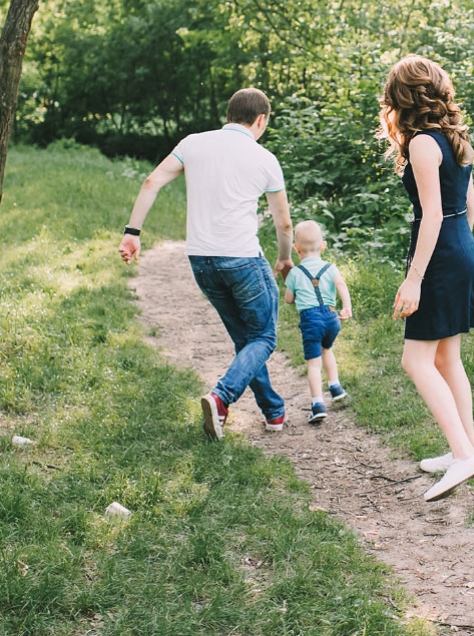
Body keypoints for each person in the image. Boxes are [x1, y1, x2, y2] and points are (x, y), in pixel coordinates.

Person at [119, 87, 294, 440]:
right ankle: (221, 397)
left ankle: (273, 411)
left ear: (230, 114)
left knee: (246, 340)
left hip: (201, 260)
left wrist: (132, 233)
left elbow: (152, 181)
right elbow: (284, 223)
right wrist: (284, 257)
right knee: (263, 336)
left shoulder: (193, 143)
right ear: (261, 120)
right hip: (243, 259)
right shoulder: (264, 158)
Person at [378, 55, 474, 502]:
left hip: (441, 256)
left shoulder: (423, 142)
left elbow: (433, 215)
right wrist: (462, 252)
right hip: (462, 248)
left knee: (416, 360)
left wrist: (415, 278)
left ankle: (464, 456)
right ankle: (466, 448)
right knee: (446, 358)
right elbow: (469, 204)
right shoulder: (456, 136)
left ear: (400, 97)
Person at [284, 220, 352, 423]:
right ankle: (335, 386)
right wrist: (346, 306)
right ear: (323, 246)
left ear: (296, 249)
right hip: (331, 318)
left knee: (314, 364)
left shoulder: (295, 273)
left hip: (311, 321)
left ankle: (317, 404)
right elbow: (341, 285)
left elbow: (288, 299)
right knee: (327, 349)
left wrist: (295, 290)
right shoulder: (330, 268)